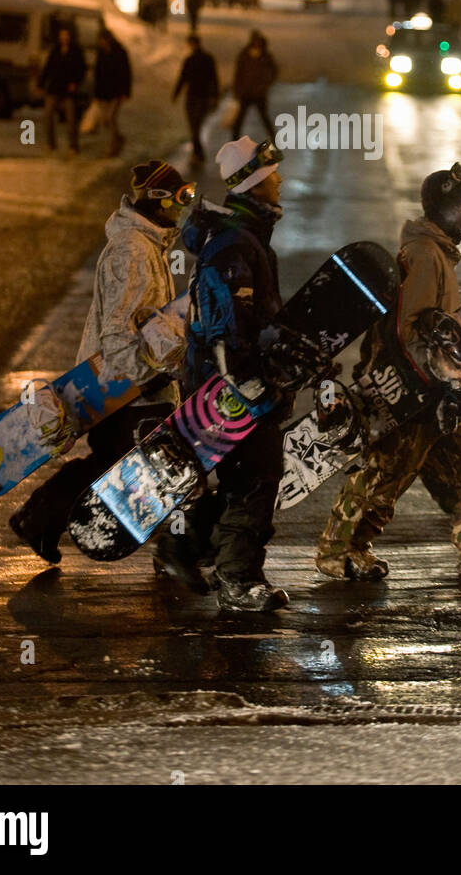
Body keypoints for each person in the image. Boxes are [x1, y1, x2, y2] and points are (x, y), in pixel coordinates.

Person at [315, 163, 461, 581]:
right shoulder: (424, 255)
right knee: (388, 469)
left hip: (439, 386)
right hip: (412, 388)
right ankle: (339, 549)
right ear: (449, 210)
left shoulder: (436, 253)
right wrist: (426, 380)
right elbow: (406, 326)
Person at [8, 161, 193, 565]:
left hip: (129, 384)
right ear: (158, 201)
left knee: (117, 464)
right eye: (181, 198)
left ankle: (38, 520)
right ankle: (173, 551)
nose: (184, 207)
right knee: (134, 466)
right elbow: (118, 332)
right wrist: (144, 376)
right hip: (126, 387)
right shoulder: (132, 251)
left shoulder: (146, 244)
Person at [154, 136, 290, 611]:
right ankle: (237, 579)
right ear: (254, 182)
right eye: (272, 175)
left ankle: (181, 547)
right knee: (256, 473)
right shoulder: (235, 244)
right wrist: (248, 382)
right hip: (229, 384)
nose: (280, 181)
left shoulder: (244, 235)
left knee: (241, 474)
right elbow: (224, 325)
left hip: (227, 380)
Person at [39, 23, 86, 154]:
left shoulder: (76, 51)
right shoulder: (55, 50)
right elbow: (48, 68)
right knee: (48, 116)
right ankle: (51, 143)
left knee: (71, 120)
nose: (64, 38)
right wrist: (41, 84)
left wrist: (75, 83)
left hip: (68, 91)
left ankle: (73, 146)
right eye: (62, 36)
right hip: (54, 88)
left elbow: (81, 69)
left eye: (66, 35)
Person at [172, 34, 219, 164]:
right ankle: (198, 153)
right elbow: (183, 78)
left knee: (195, 126)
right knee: (194, 126)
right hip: (195, 96)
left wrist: (214, 95)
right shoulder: (196, 59)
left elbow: (213, 78)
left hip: (198, 96)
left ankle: (197, 153)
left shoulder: (199, 59)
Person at [231, 30, 278, 139]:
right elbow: (238, 73)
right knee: (239, 120)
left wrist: (264, 85)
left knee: (264, 118)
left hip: (258, 94)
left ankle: (273, 138)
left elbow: (273, 72)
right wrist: (238, 90)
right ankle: (234, 140)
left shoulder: (265, 56)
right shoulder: (244, 54)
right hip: (246, 93)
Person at [93, 28, 132, 157]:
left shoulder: (120, 52)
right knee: (105, 120)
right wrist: (96, 93)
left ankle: (112, 147)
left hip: (116, 92)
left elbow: (126, 72)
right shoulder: (101, 53)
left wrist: (126, 91)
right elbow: (97, 73)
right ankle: (118, 139)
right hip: (104, 92)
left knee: (110, 118)